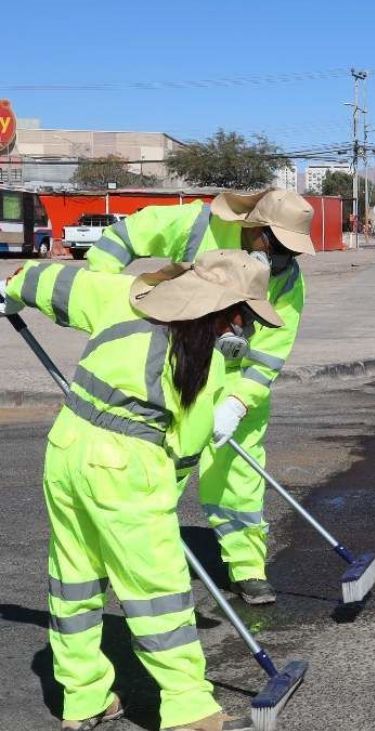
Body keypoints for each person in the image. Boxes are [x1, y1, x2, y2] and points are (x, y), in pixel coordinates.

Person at [1, 250, 282, 731]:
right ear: (223, 311)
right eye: (244, 316)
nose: (245, 327)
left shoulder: (121, 295)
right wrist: (158, 512)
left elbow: (42, 279)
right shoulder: (202, 370)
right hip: (128, 470)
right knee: (159, 591)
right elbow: (183, 457)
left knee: (75, 581)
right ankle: (189, 712)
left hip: (66, 448)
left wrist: (11, 291)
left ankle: (83, 700)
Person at [88, 189, 314, 606]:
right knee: (158, 470)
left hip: (235, 383)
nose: (284, 258)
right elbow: (124, 237)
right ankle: (127, 560)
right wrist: (105, 296)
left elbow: (271, 350)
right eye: (279, 246)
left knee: (239, 483)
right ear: (255, 229)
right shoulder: (195, 225)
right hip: (178, 372)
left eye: (292, 252)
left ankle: (247, 569)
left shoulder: (287, 277)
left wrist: (240, 401)